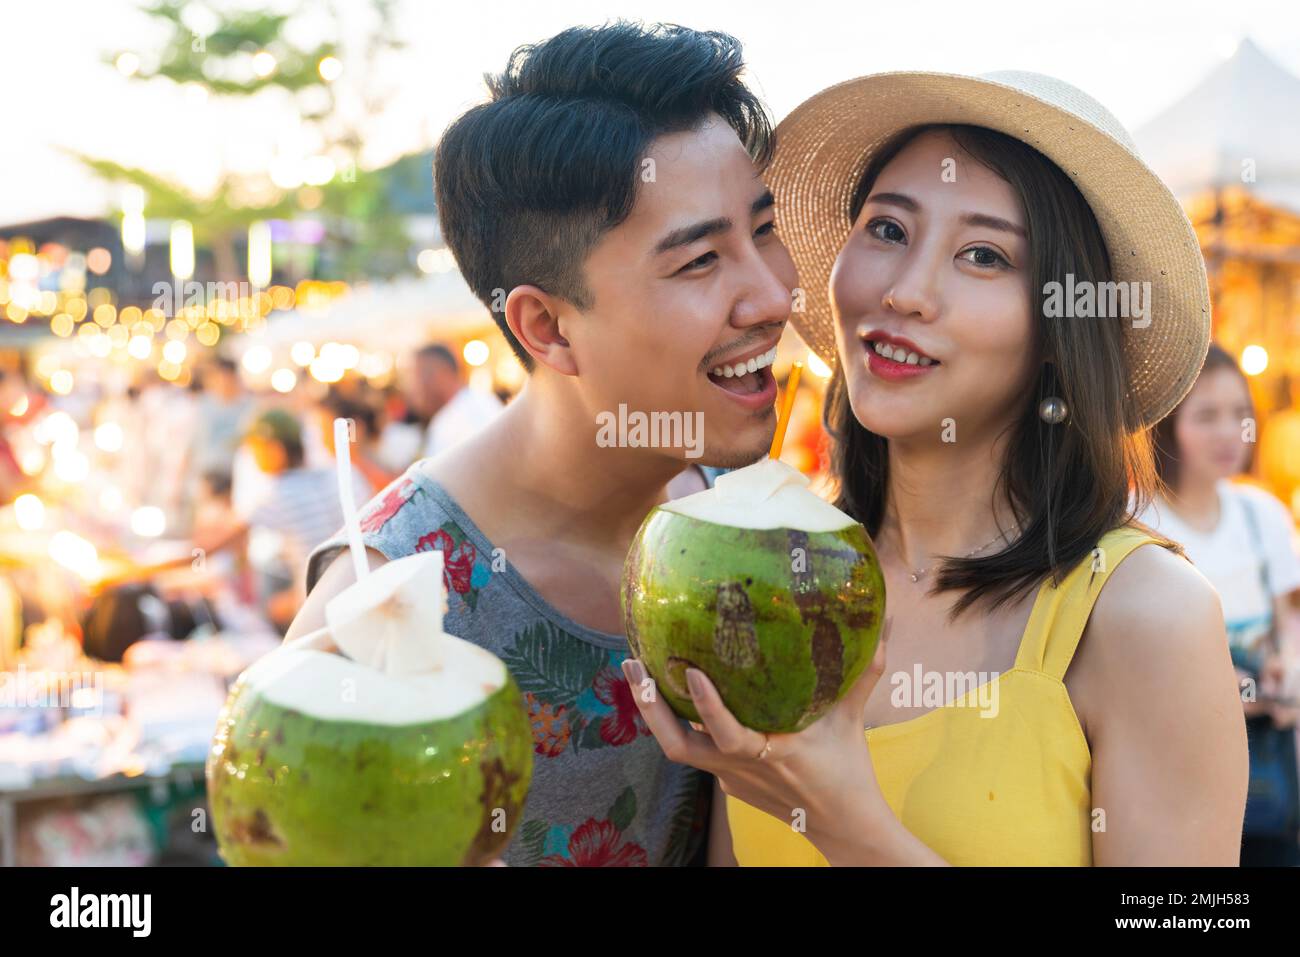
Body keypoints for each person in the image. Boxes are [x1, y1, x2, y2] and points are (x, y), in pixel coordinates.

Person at [625, 70, 1249, 865]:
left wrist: (851, 829)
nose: (910, 291)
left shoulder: (1144, 616)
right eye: (888, 230)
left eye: (983, 255)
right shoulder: (773, 578)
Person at [288, 21, 796, 866]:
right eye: (702, 260)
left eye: (764, 229)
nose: (773, 294)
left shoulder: (720, 509)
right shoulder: (390, 606)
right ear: (547, 326)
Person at [1143, 343, 1300, 864]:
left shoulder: (1263, 515)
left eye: (1240, 414)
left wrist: (1284, 676)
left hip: (1266, 779)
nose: (1230, 432)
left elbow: (1291, 628)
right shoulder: (1135, 522)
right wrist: (1208, 684)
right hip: (1170, 778)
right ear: (1166, 424)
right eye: (1206, 416)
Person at [196, 409, 371, 633]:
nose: (252, 458)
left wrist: (149, 567)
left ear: (275, 451)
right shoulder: (338, 474)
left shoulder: (279, 492)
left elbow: (214, 544)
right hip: (360, 594)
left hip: (321, 609)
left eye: (254, 450)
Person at [410, 343, 503, 458]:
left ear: (441, 375)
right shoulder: (482, 400)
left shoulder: (452, 422)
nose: (414, 389)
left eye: (417, 378)